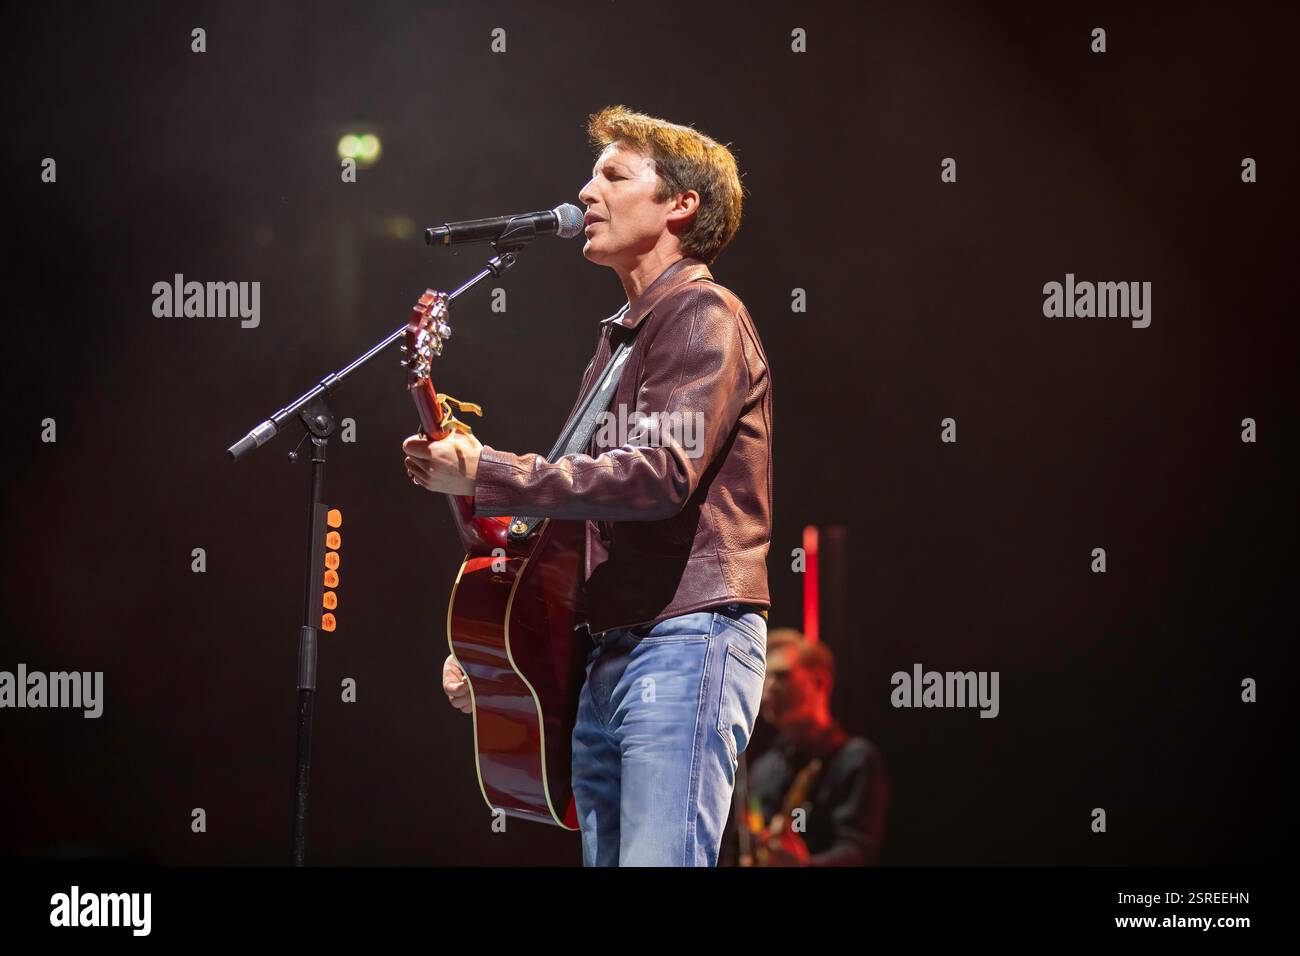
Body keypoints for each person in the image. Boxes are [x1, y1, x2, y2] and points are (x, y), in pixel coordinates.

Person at [403, 105, 772, 866]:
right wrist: (495, 649)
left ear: (680, 204)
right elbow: (574, 519)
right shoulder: (618, 339)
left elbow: (657, 477)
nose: (585, 191)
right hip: (612, 646)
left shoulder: (705, 313)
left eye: (613, 174)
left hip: (685, 634)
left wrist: (493, 471)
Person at [721, 629, 889, 866]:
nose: (766, 689)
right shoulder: (764, 767)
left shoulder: (855, 759)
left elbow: (858, 851)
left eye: (781, 675)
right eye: (765, 677)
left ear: (820, 683)